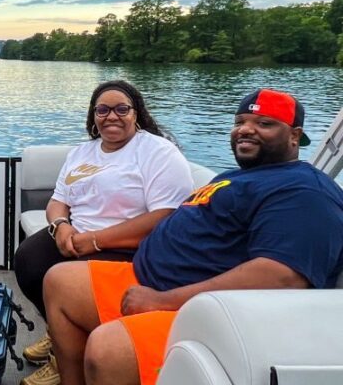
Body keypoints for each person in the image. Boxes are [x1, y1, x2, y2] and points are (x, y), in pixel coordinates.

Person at [42, 88, 343, 385]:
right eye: (240, 122)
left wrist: (162, 301)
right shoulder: (239, 177)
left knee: (108, 348)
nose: (246, 130)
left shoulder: (304, 192)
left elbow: (280, 276)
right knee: (60, 282)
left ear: (294, 135)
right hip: (148, 276)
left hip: (203, 309)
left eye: (264, 124)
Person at [16, 80, 194, 384]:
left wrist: (96, 241)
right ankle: (59, 334)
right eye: (103, 109)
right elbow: (58, 200)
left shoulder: (157, 152)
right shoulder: (82, 152)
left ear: (136, 113)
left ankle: (65, 357)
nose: (112, 116)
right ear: (93, 116)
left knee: (64, 277)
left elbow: (166, 217)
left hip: (131, 246)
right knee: (28, 260)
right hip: (77, 234)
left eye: (121, 109)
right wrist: (61, 226)